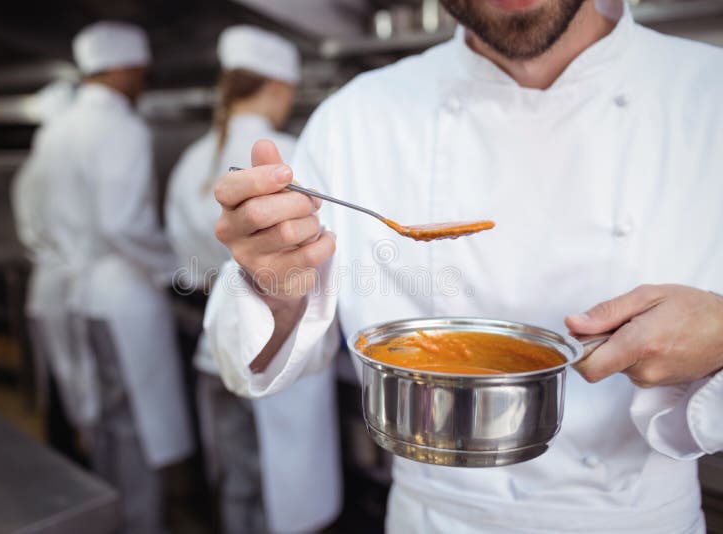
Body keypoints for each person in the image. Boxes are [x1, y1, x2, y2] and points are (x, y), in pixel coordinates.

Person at [204, 0, 723, 532]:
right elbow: (250, 359)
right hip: (432, 517)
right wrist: (274, 287)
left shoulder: (710, 93)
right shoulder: (355, 117)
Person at [12, 20, 193, 534]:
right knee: (136, 426)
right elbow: (123, 223)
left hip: (76, 296)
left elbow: (29, 210)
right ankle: (140, 523)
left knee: (103, 421)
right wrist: (176, 268)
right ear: (120, 68)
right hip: (120, 297)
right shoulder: (123, 129)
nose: (143, 80)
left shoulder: (56, 130)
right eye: (140, 71)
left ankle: (110, 517)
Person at [165, 25, 341, 534]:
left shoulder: (193, 160)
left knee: (237, 483)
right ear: (278, 88)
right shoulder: (291, 153)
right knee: (285, 498)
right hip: (288, 347)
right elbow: (327, 252)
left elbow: (185, 266)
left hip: (213, 352)